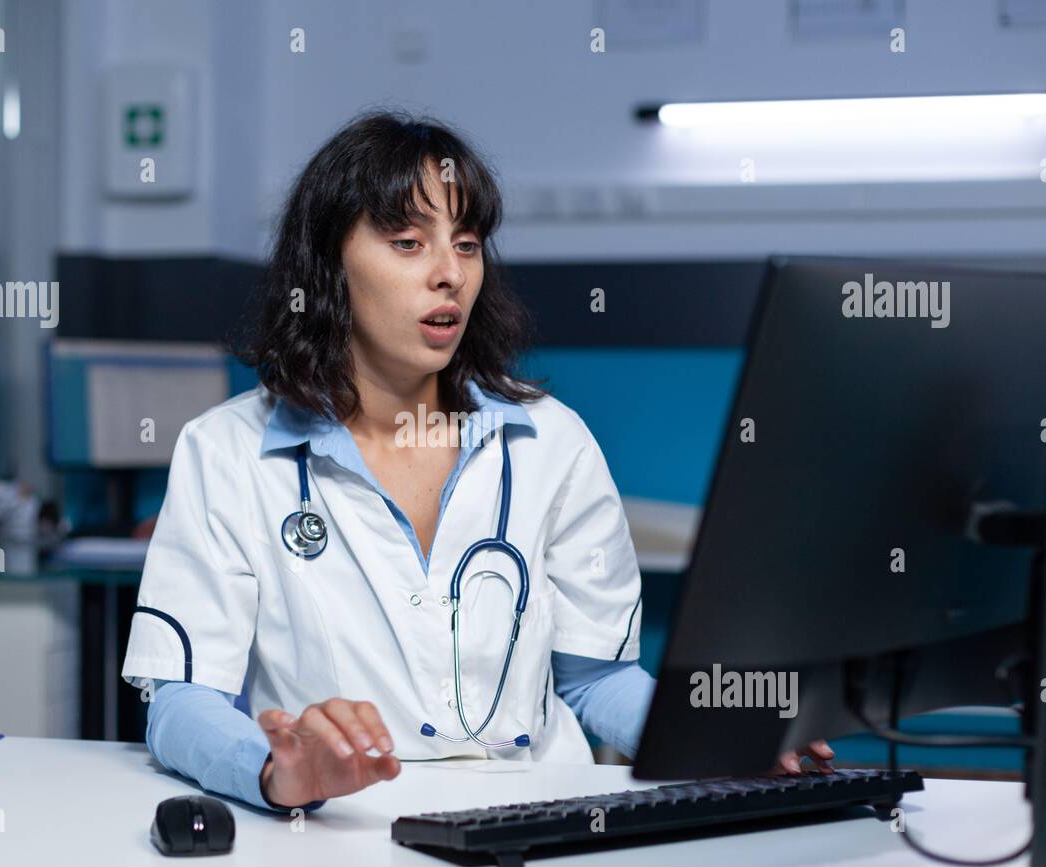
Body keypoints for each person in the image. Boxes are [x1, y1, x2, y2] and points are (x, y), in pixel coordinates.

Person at [121, 109, 834, 813]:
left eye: (466, 244)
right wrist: (276, 772)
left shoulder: (552, 442)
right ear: (327, 266)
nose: (449, 275)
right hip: (343, 832)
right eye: (407, 242)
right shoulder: (227, 453)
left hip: (540, 825)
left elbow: (597, 681)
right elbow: (181, 699)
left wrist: (722, 738)